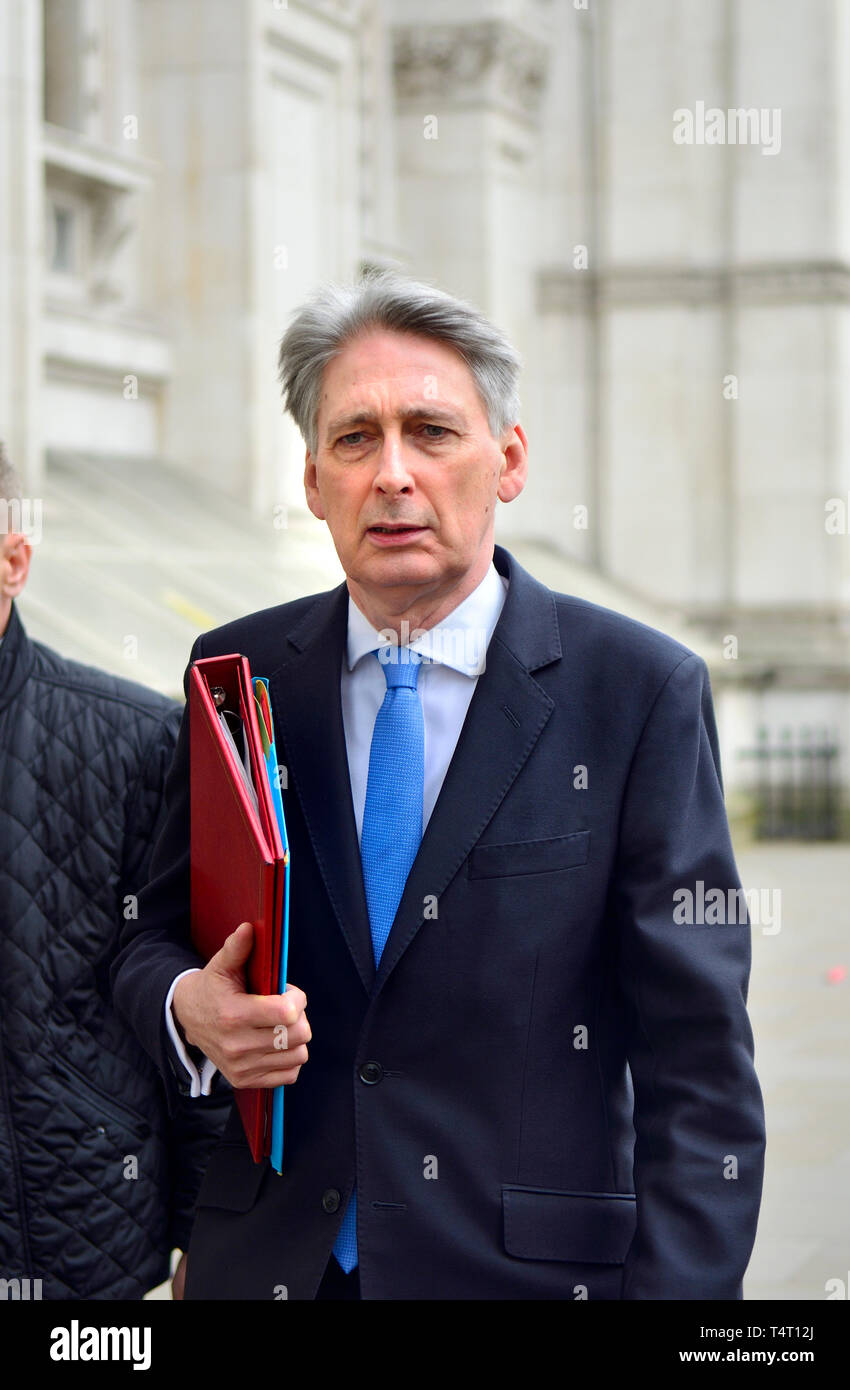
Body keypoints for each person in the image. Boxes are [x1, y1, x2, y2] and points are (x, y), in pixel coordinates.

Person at [111, 271, 765, 1300]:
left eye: (432, 431)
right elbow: (148, 935)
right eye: (355, 439)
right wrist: (190, 1003)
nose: (394, 474)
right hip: (271, 1264)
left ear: (508, 460)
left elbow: (702, 1066)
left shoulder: (638, 694)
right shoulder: (237, 674)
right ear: (314, 480)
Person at [0, 443, 230, 1299]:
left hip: (90, 1259)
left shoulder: (137, 743)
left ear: (14, 560)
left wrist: (206, 1229)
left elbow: (203, 1003)